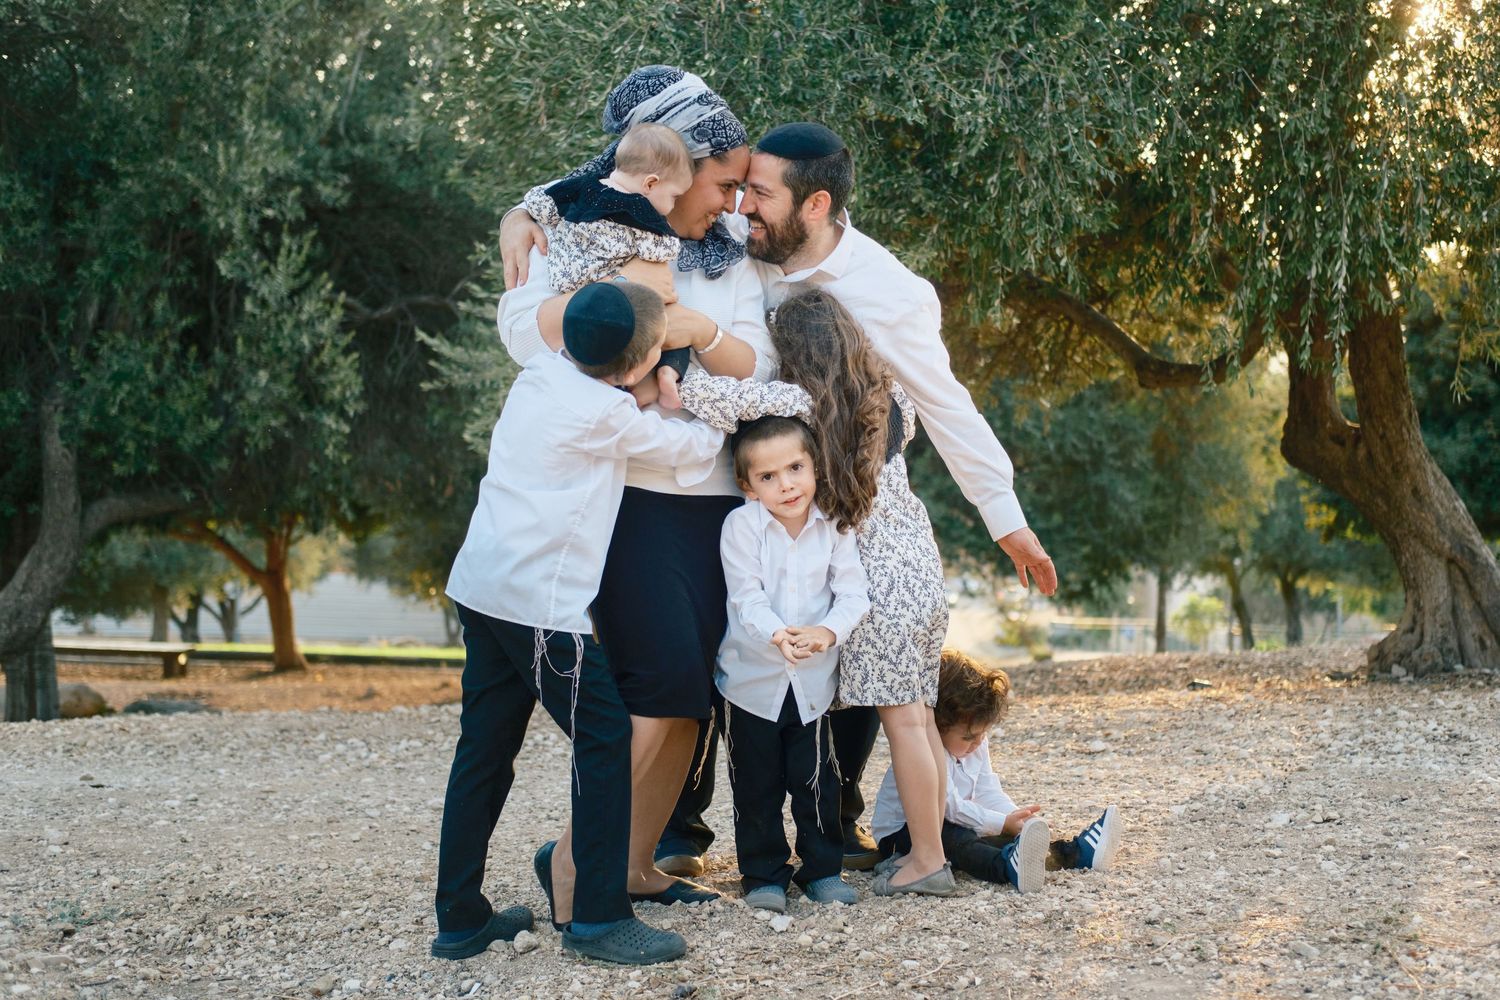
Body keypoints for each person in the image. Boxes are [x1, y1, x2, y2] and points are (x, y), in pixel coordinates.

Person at [727, 120, 1061, 875]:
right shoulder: (745, 235)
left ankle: (856, 833)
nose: (742, 205)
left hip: (849, 525)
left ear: (814, 205)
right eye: (742, 187)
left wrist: (1005, 519)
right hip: (761, 510)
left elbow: (945, 404)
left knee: (869, 682)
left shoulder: (891, 294)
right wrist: (530, 214)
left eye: (759, 192)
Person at [497, 65, 773, 917]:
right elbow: (523, 331)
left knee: (690, 699)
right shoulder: (580, 230)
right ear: (674, 167)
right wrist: (623, 313)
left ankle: (637, 864)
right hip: (632, 496)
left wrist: (701, 328)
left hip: (718, 501)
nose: (730, 202)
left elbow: (755, 359)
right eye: (722, 182)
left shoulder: (731, 262)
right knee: (653, 696)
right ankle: (580, 873)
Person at [435, 281, 724, 966]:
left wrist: (637, 386)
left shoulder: (542, 371)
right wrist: (687, 401)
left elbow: (609, 390)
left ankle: (461, 917)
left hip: (482, 587)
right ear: (635, 367)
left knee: (483, 750)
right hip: (543, 610)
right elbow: (695, 451)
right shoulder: (607, 415)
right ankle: (597, 917)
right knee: (606, 739)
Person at [679, 288, 957, 897]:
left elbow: (701, 393)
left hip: (874, 574)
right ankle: (929, 852)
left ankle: (928, 861)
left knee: (906, 724)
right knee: (922, 721)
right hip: (920, 566)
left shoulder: (801, 403)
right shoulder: (893, 398)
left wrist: (679, 337)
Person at [715, 416, 869, 913]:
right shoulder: (741, 527)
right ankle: (763, 874)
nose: (786, 484)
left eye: (796, 468)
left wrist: (827, 633)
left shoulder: (834, 525)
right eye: (768, 476)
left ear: (815, 467)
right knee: (755, 783)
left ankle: (821, 870)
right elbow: (746, 597)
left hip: (813, 681)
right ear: (748, 485)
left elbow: (853, 593)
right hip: (751, 680)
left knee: (817, 781)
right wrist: (777, 634)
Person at [870, 648, 1123, 893]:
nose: (978, 742)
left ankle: (1075, 853)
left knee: (1006, 838)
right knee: (961, 839)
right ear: (937, 726)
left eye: (983, 733)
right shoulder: (924, 753)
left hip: (957, 821)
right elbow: (950, 807)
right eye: (969, 736)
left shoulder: (975, 743)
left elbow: (987, 789)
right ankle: (1005, 868)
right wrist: (1001, 823)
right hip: (901, 834)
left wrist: (1015, 817)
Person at [522, 122, 695, 409]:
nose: (673, 206)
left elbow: (540, 204)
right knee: (666, 324)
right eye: (675, 196)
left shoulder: (584, 186)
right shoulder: (641, 212)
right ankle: (666, 373)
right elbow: (666, 250)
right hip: (611, 292)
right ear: (650, 183)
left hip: (568, 288)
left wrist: (519, 219)